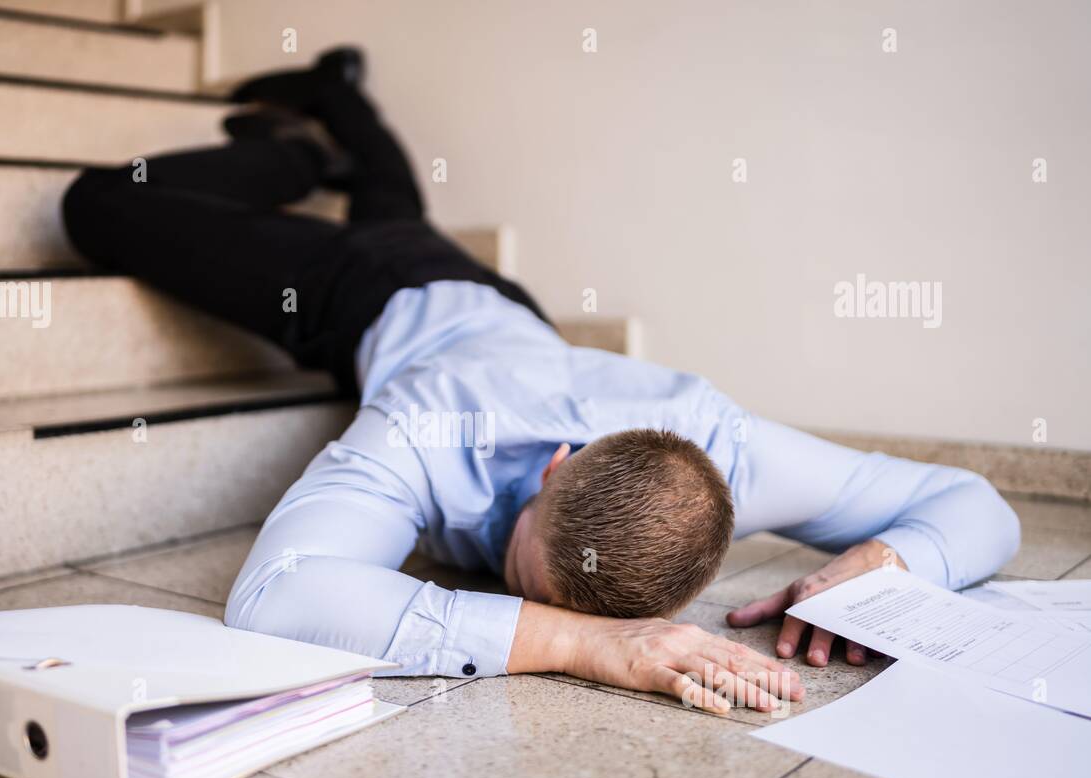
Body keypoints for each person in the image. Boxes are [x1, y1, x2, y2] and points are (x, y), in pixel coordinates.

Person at [62, 48, 1020, 715]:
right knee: (102, 203)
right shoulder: (423, 427)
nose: (538, 605)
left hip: (499, 303)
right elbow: (273, 597)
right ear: (556, 468)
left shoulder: (719, 445)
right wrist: (579, 645)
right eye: (531, 579)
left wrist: (890, 565)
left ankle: (340, 92)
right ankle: (296, 153)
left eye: (560, 605)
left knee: (393, 204)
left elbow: (973, 503)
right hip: (366, 297)